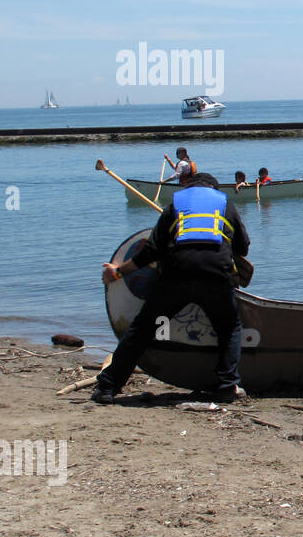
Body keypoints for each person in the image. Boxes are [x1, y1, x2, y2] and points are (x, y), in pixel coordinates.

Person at [93, 171, 251, 404]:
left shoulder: (175, 205)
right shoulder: (226, 205)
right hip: (216, 275)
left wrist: (118, 272)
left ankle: (108, 387)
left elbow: (151, 251)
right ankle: (227, 386)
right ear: (214, 190)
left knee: (143, 329)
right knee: (229, 329)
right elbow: (243, 247)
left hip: (177, 274)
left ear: (190, 188)